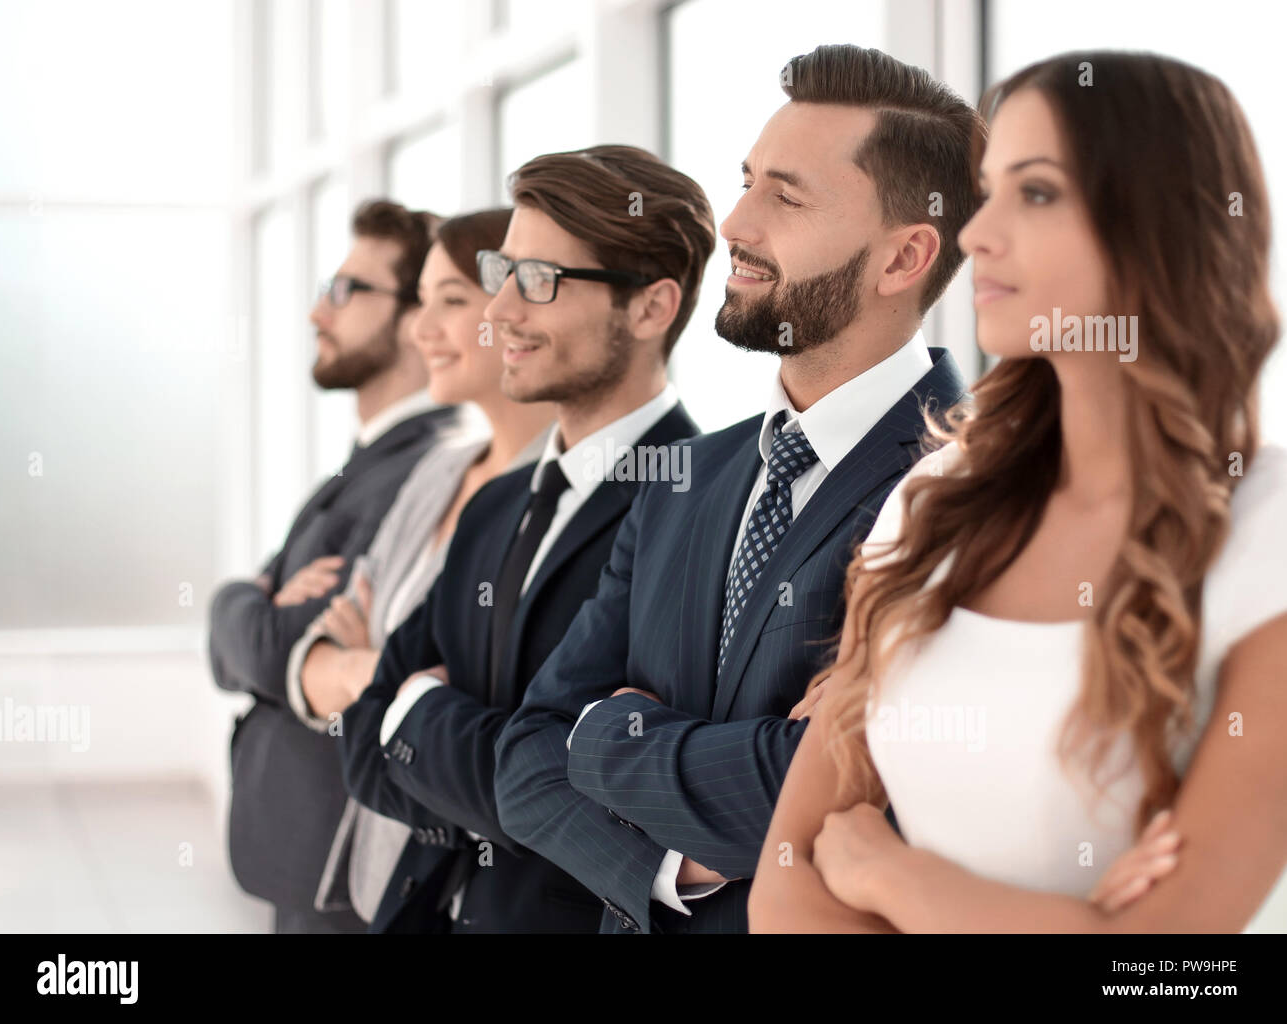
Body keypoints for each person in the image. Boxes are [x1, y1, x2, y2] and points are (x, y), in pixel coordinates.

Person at [750, 50, 1287, 933]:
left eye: (1035, 193)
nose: (975, 235)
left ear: (1159, 225)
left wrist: (893, 876)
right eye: (988, 191)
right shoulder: (931, 505)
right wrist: (1059, 921)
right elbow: (783, 895)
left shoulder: (1267, 532)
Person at [495, 44, 971, 934]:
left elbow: (840, 794)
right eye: (746, 182)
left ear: (904, 257)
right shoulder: (686, 479)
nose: (737, 223)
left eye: (786, 197)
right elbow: (524, 759)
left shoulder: (969, 488)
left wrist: (604, 736)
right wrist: (673, 865)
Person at [338, 144, 714, 933]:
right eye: (501, 272)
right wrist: (494, 769)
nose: (498, 311)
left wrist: (421, 711)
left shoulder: (699, 508)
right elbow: (367, 744)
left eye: (539, 280)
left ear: (651, 308)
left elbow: (616, 799)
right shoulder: (497, 502)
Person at [282, 208, 555, 928]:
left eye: (452, 302)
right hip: (378, 861)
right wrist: (382, 676)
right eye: (422, 301)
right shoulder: (440, 468)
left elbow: (482, 714)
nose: (421, 329)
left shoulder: (555, 492)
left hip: (463, 876)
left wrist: (369, 675)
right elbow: (334, 639)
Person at [209, 200, 457, 934]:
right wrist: (245, 602)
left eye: (348, 291)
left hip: (344, 873)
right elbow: (245, 645)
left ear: (418, 317)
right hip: (303, 855)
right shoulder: (367, 464)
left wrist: (243, 604)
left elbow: (282, 642)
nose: (319, 312)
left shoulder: (425, 472)